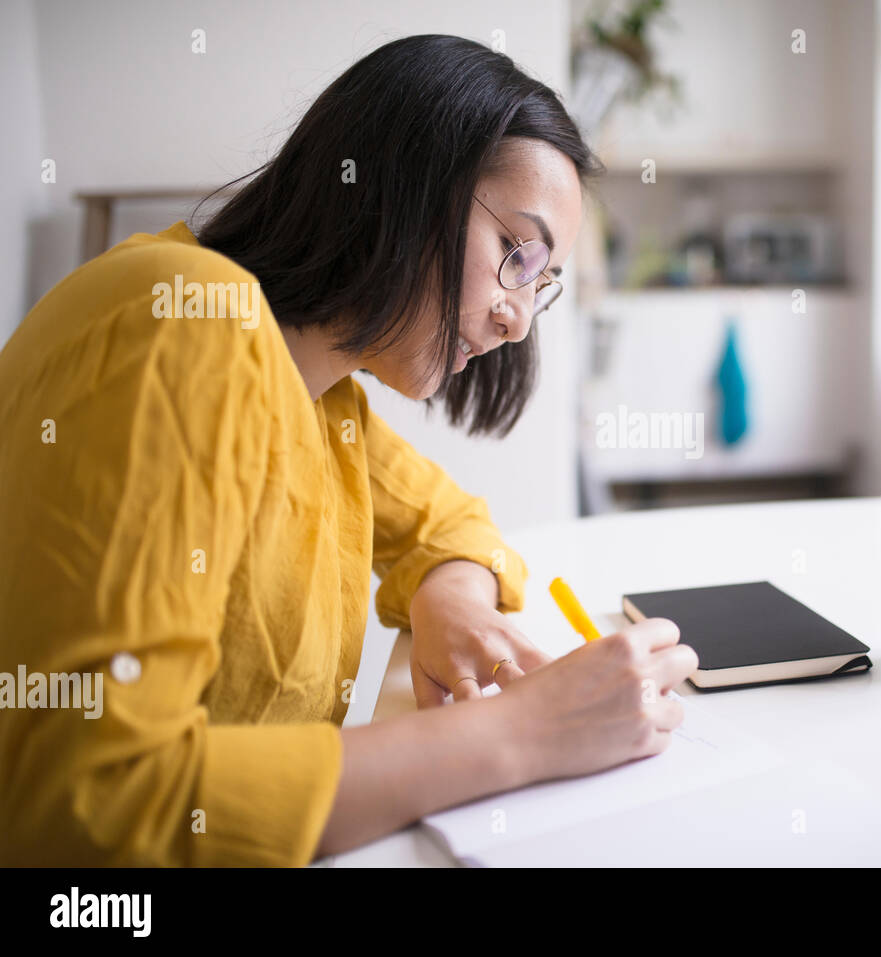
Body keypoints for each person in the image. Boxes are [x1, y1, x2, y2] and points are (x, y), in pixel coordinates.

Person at [0, 34, 697, 866]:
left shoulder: (321, 395)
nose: (516, 319)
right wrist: (523, 732)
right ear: (408, 178)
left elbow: (449, 521)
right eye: (519, 255)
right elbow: (92, 805)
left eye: (540, 290)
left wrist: (456, 606)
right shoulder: (187, 323)